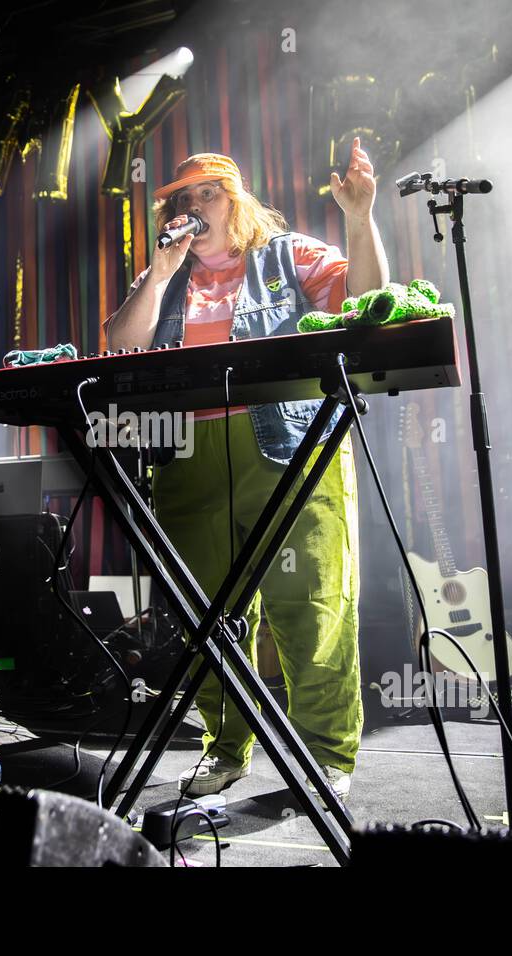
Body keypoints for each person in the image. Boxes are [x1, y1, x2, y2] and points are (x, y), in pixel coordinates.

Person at [105, 139, 389, 797]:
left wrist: (358, 215)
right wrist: (160, 270)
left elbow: (367, 298)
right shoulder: (167, 279)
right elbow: (121, 347)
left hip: (290, 446)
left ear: (237, 200)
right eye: (183, 199)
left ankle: (326, 756)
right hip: (191, 458)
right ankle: (225, 749)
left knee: (311, 603)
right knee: (206, 614)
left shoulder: (289, 255)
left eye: (208, 193)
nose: (194, 206)